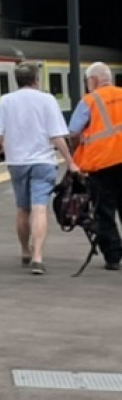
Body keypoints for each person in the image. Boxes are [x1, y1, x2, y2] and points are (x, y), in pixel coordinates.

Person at [0, 62, 72, 274]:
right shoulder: (47, 100)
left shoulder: (5, 101)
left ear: (17, 80)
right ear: (36, 80)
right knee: (40, 208)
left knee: (22, 209)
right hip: (43, 162)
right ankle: (38, 257)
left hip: (17, 162)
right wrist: (70, 160)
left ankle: (24, 251)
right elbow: (57, 135)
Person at [68, 61, 122, 272]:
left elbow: (73, 132)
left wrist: (75, 151)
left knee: (104, 211)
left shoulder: (89, 101)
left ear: (92, 80)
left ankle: (113, 256)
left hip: (102, 164)